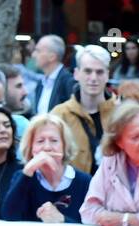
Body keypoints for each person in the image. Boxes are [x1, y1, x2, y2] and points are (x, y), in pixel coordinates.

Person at [1, 113, 91, 222]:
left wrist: (62, 220)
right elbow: (8, 216)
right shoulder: (22, 177)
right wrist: (28, 171)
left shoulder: (85, 181)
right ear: (31, 148)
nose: (47, 147)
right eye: (40, 141)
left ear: (64, 146)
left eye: (54, 141)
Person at [50, 45, 118, 176]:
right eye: (87, 71)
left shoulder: (122, 113)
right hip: (75, 192)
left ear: (107, 75)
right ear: (76, 74)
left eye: (99, 72)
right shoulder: (59, 115)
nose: (93, 78)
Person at [30, 34, 75, 116]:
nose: (33, 55)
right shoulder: (41, 83)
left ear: (52, 56)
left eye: (38, 51)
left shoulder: (68, 82)